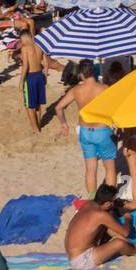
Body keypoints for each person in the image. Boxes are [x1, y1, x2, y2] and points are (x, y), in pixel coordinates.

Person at [53, 60, 116, 196]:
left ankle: (92, 200)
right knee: (109, 169)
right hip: (102, 130)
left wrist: (64, 124)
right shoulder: (104, 88)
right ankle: (108, 201)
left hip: (85, 131)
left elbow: (58, 107)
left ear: (81, 74)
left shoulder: (76, 90)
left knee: (90, 169)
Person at [64, 184, 136, 269]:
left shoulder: (88, 204)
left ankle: (131, 245)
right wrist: (127, 218)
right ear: (107, 203)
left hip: (72, 252)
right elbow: (125, 232)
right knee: (119, 243)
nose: (114, 203)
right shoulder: (101, 215)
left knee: (107, 227)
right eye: (113, 201)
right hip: (81, 260)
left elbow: (109, 226)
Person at [19, 31, 62, 134]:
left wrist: (21, 81)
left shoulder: (25, 48)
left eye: (21, 39)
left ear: (25, 38)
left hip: (30, 77)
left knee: (29, 106)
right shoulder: (40, 45)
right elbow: (46, 63)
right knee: (38, 104)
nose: (21, 42)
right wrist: (45, 75)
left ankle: (36, 129)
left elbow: (25, 66)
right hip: (39, 75)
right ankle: (39, 125)